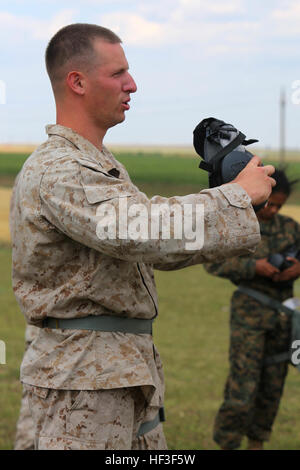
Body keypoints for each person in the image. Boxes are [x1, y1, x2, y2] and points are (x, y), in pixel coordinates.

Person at [10, 23, 275, 451]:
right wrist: (235, 198)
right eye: (118, 73)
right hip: (84, 388)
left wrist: (228, 203)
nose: (132, 84)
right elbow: (141, 232)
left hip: (116, 377)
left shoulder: (97, 164)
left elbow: (156, 247)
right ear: (77, 82)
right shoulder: (61, 169)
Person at [204, 168, 300, 450]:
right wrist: (254, 266)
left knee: (272, 387)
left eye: (279, 206)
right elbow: (214, 262)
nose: (272, 210)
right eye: (269, 203)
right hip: (248, 316)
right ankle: (229, 442)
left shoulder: (290, 228)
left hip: (283, 319)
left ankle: (257, 442)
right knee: (242, 388)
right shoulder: (239, 224)